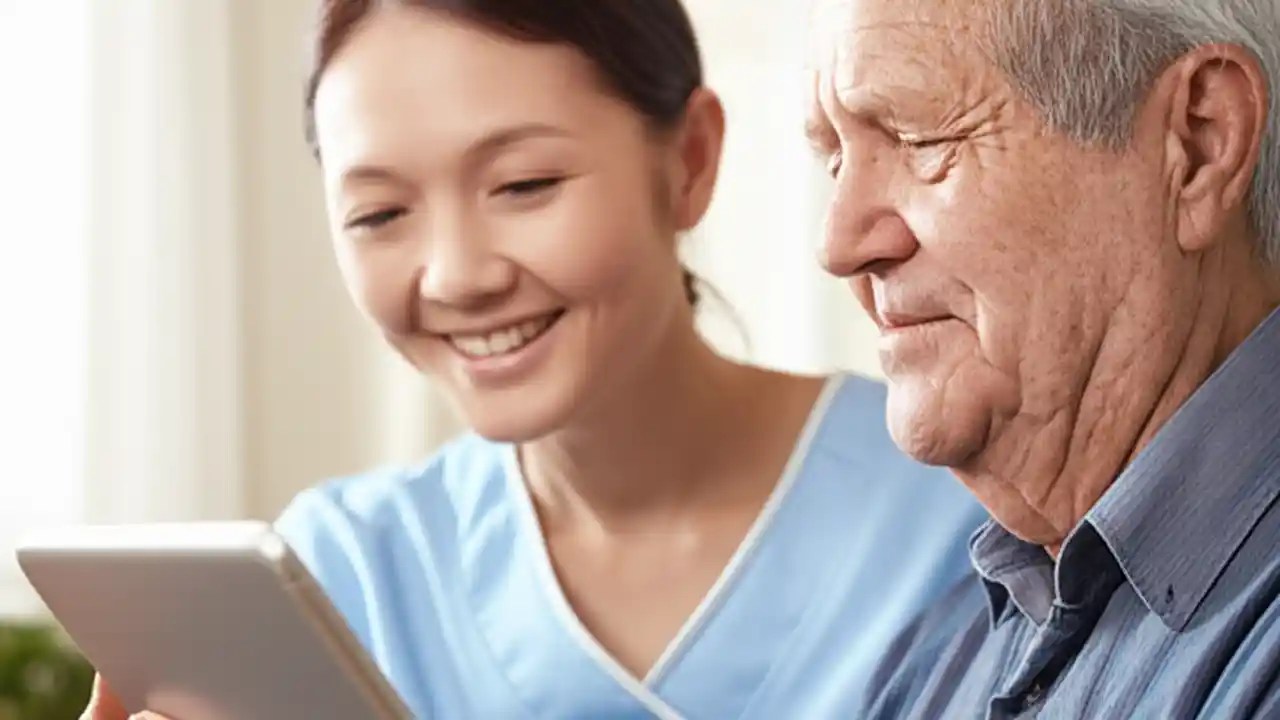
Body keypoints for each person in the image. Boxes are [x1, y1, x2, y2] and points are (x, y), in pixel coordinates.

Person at [83, 1, 986, 718]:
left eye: (525, 186)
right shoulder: (339, 576)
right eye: (379, 214)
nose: (458, 277)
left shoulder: (971, 514)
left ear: (690, 162)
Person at [805, 0, 1280, 717]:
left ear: (1199, 145)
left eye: (917, 137)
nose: (839, 244)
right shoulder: (935, 662)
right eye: (835, 158)